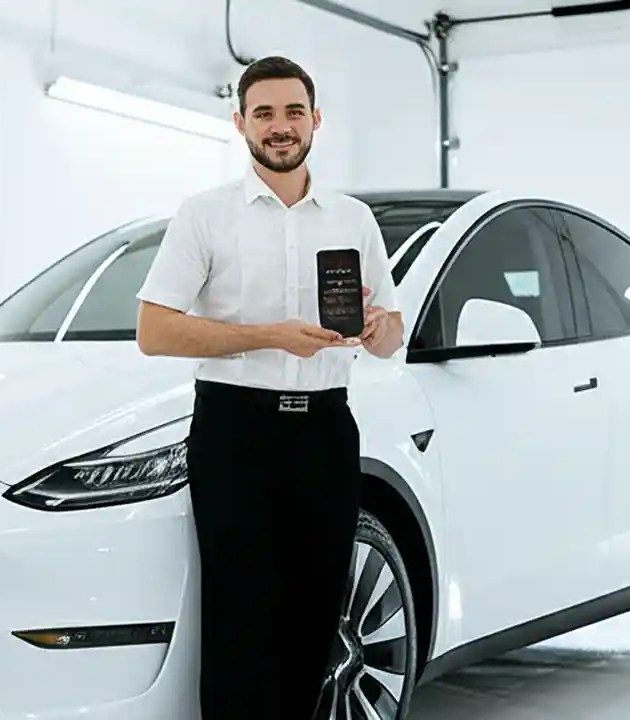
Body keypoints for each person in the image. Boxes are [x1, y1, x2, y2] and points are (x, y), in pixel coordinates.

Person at [135, 55, 404, 719]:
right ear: (240, 123)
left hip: (325, 431)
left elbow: (394, 333)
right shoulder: (205, 215)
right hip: (235, 431)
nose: (279, 127)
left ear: (315, 119)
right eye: (264, 114)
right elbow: (155, 330)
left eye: (292, 112)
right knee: (240, 614)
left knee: (315, 613)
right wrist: (270, 335)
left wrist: (375, 327)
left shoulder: (352, 219)